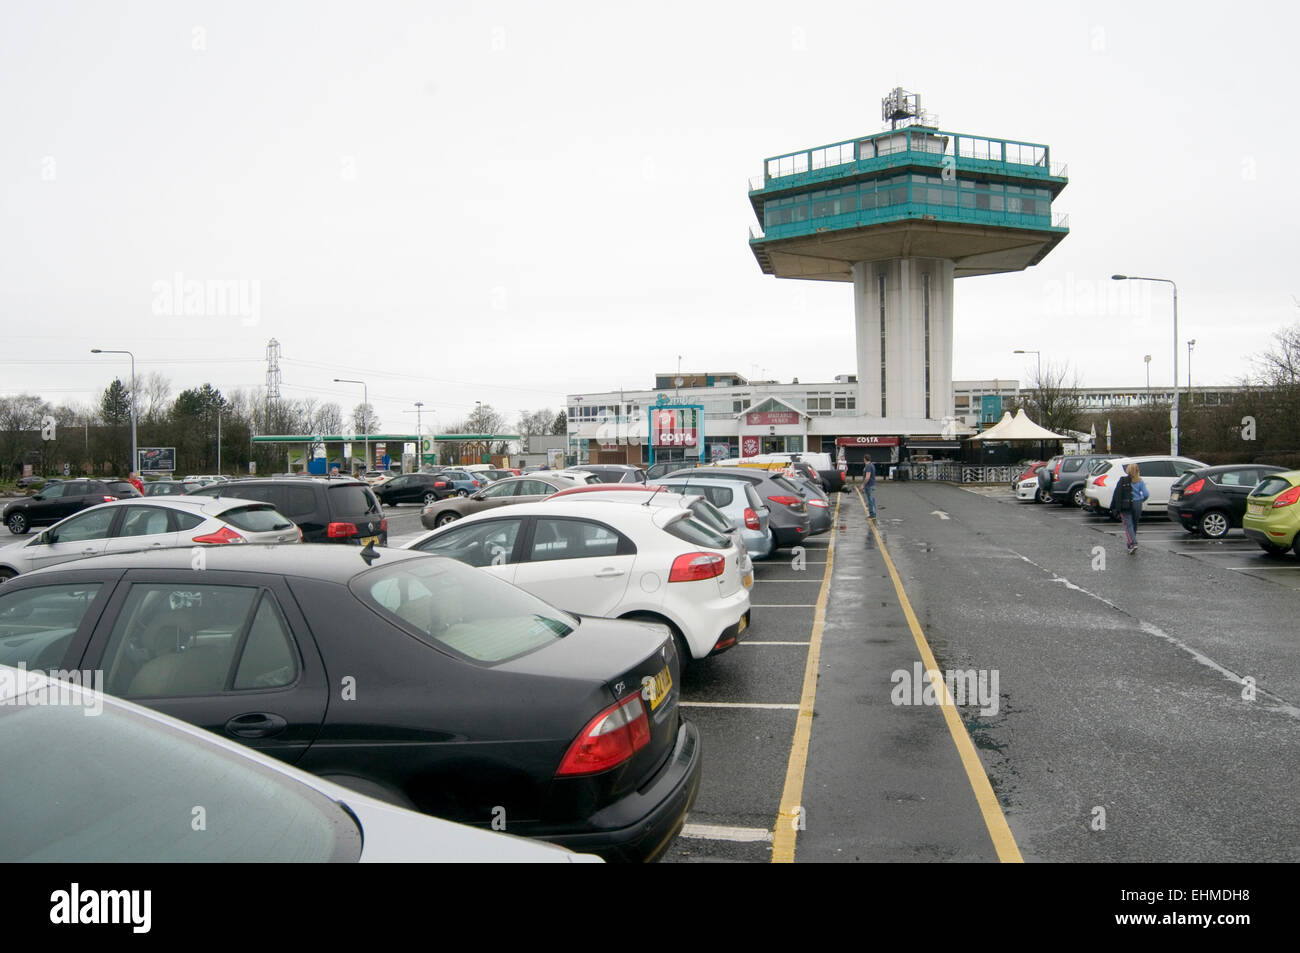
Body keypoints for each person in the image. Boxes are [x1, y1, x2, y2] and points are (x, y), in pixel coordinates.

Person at [1115, 462, 1148, 554]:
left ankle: (1133, 543)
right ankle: (1130, 544)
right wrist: (1141, 499)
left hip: (1126, 504)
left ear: (1128, 471)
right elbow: (1146, 494)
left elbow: (1118, 493)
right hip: (1138, 503)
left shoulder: (1124, 480)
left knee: (1128, 525)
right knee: (1134, 524)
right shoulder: (1140, 481)